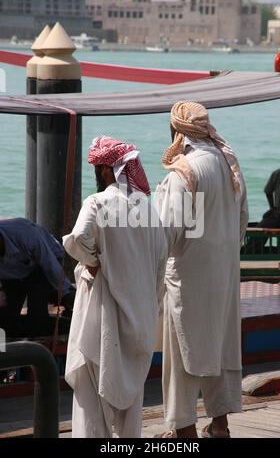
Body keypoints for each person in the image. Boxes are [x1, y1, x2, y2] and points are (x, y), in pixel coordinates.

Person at [155, 102, 248, 438]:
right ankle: (220, 425)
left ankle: (184, 433)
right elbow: (242, 223)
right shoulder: (229, 163)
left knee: (183, 355)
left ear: (176, 131)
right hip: (223, 275)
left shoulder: (183, 173)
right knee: (220, 347)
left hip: (188, 278)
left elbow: (165, 235)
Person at [63, 136, 167, 438]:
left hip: (101, 317)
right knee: (130, 405)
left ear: (109, 171)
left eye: (98, 168)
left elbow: (78, 238)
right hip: (141, 321)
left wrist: (93, 263)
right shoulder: (150, 212)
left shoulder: (98, 202)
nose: (97, 173)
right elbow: (160, 267)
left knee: (91, 402)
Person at [0, 218, 74, 337]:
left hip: (43, 265)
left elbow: (49, 264)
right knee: (6, 319)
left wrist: (65, 291)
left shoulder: (25, 233)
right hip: (13, 273)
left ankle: (58, 333)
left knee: (37, 315)